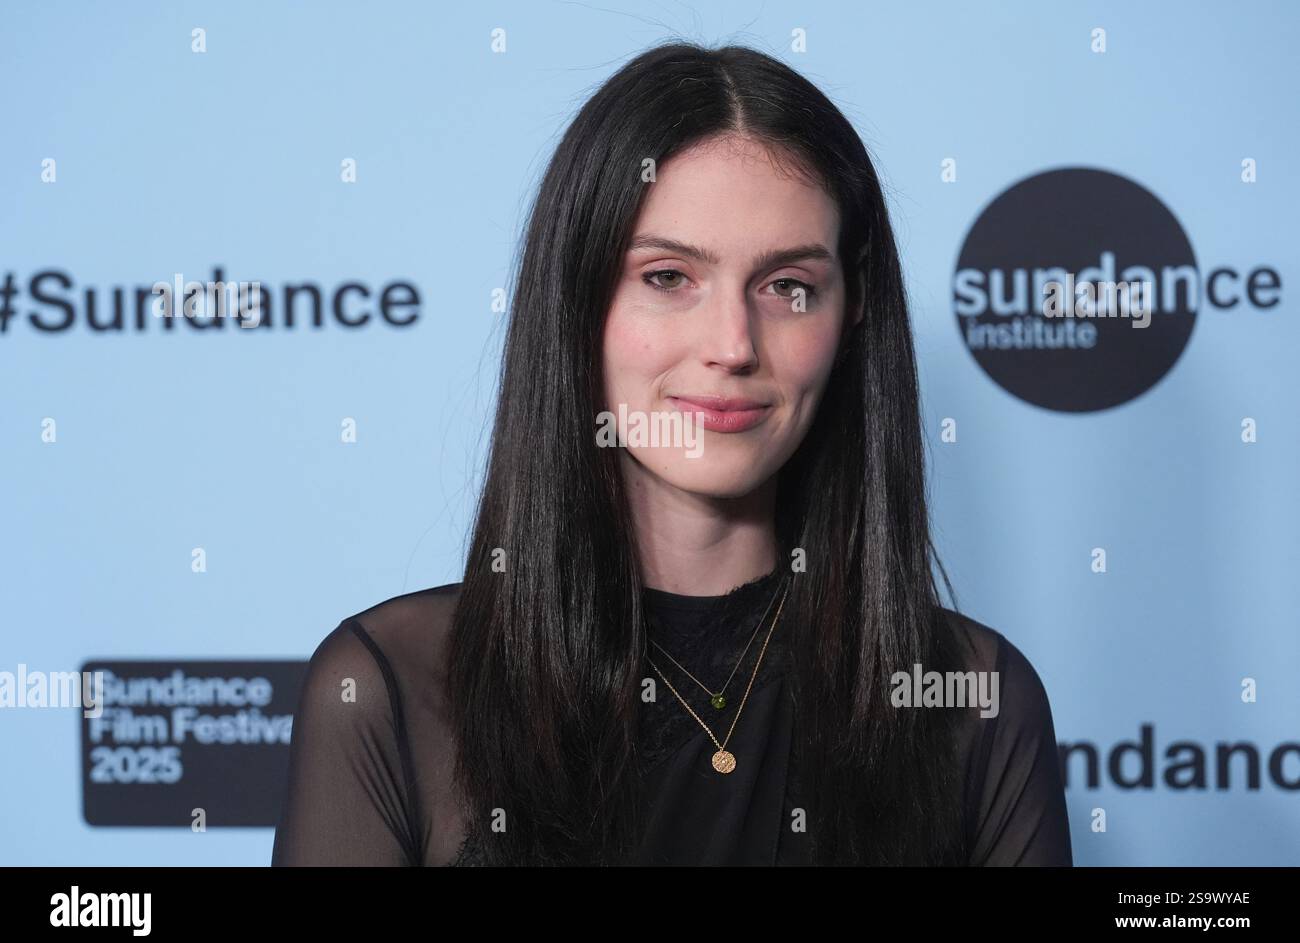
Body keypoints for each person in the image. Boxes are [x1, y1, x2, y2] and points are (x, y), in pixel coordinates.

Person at [271, 40, 1072, 867]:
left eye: (788, 286)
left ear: (853, 311)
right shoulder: (391, 690)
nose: (732, 345)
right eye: (667, 277)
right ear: (578, 298)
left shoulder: (973, 703)